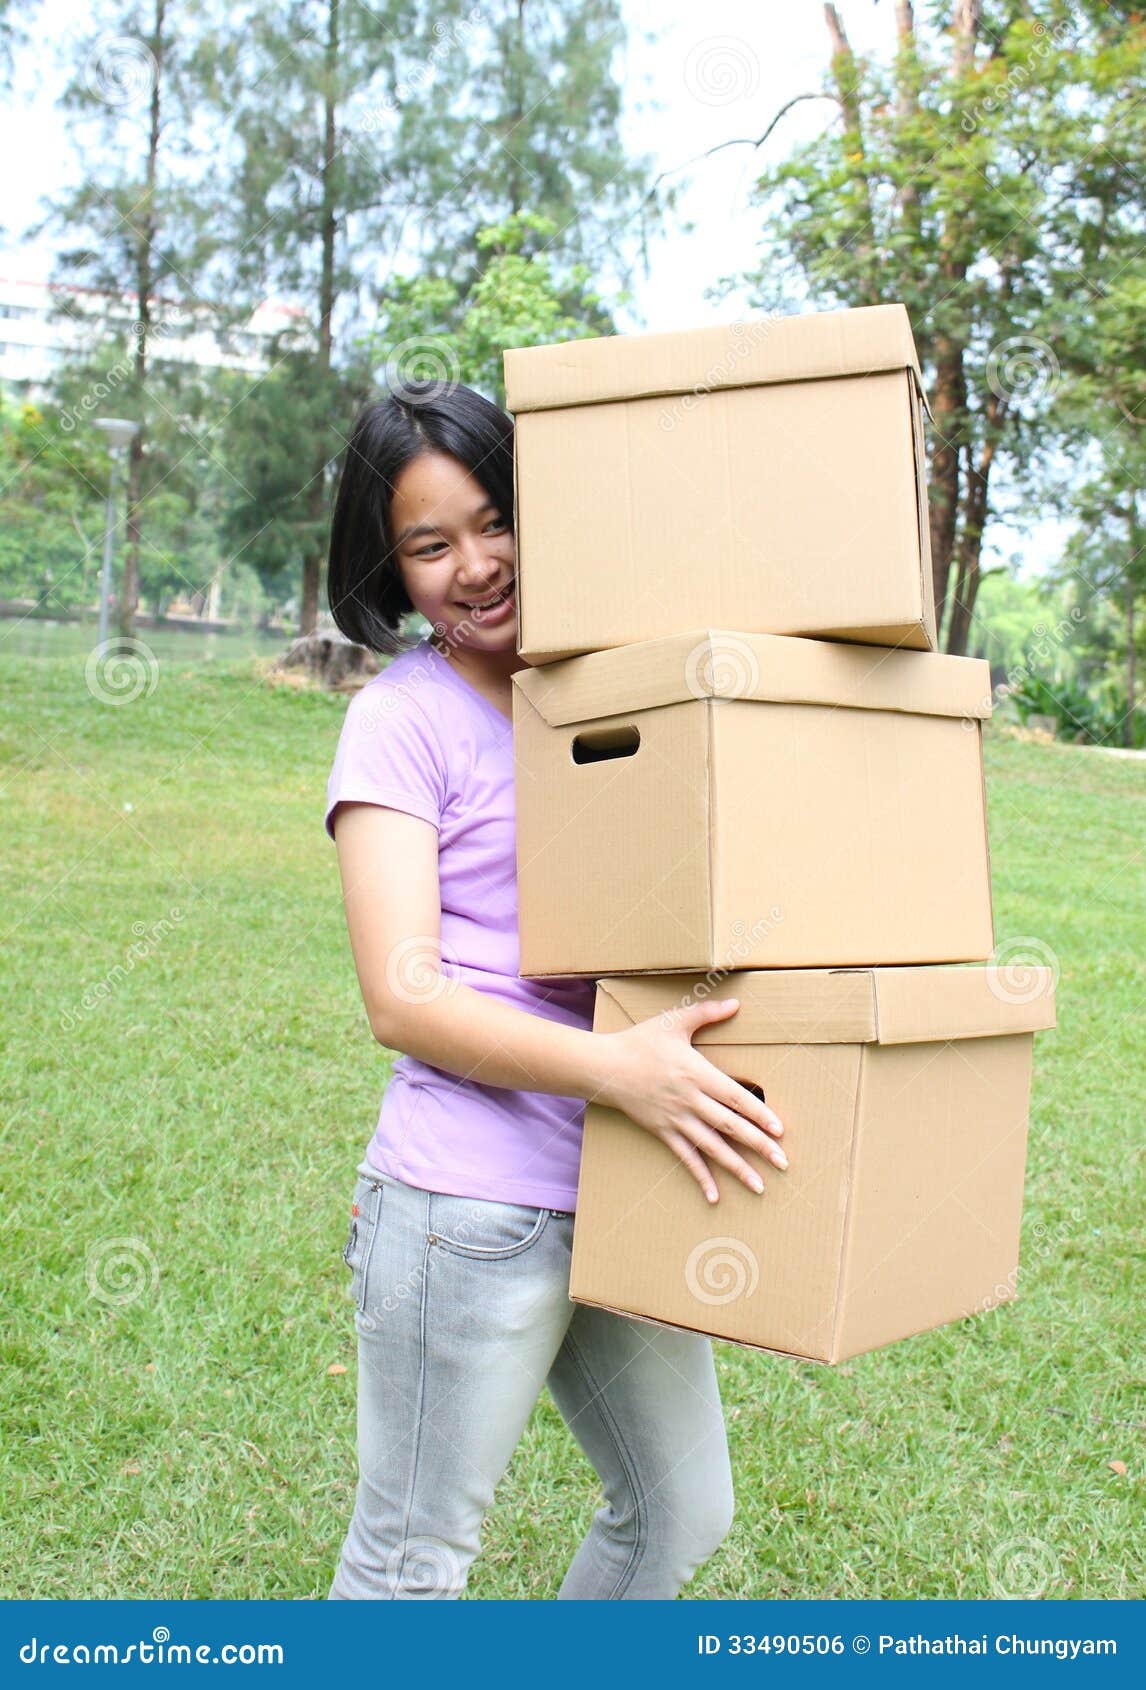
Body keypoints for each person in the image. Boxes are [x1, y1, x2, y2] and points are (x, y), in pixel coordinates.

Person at [321, 378, 789, 1601]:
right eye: (430, 545)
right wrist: (624, 1070)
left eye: (494, 521)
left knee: (681, 1510)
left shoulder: (615, 687)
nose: (474, 567)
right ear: (389, 567)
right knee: (410, 1560)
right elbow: (403, 995)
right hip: (466, 1204)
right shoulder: (399, 722)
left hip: (620, 1173)